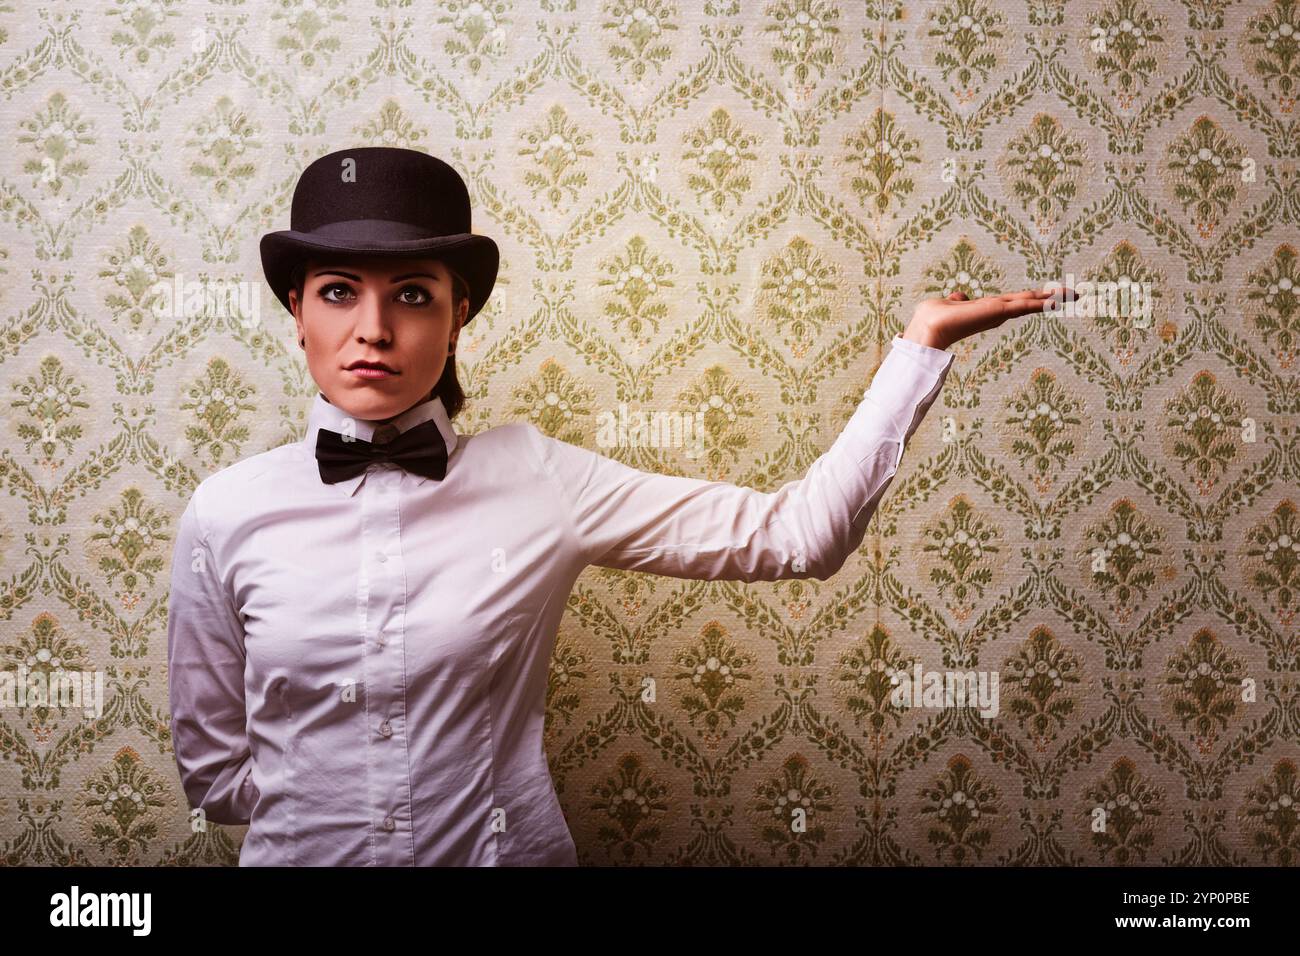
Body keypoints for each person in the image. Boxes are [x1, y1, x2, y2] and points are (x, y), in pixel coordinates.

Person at [166, 147, 1065, 865]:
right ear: (296, 310)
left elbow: (800, 536)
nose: (373, 329)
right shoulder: (225, 512)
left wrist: (919, 346)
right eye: (337, 292)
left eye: (411, 294)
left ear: (458, 314)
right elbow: (215, 774)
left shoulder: (537, 479)